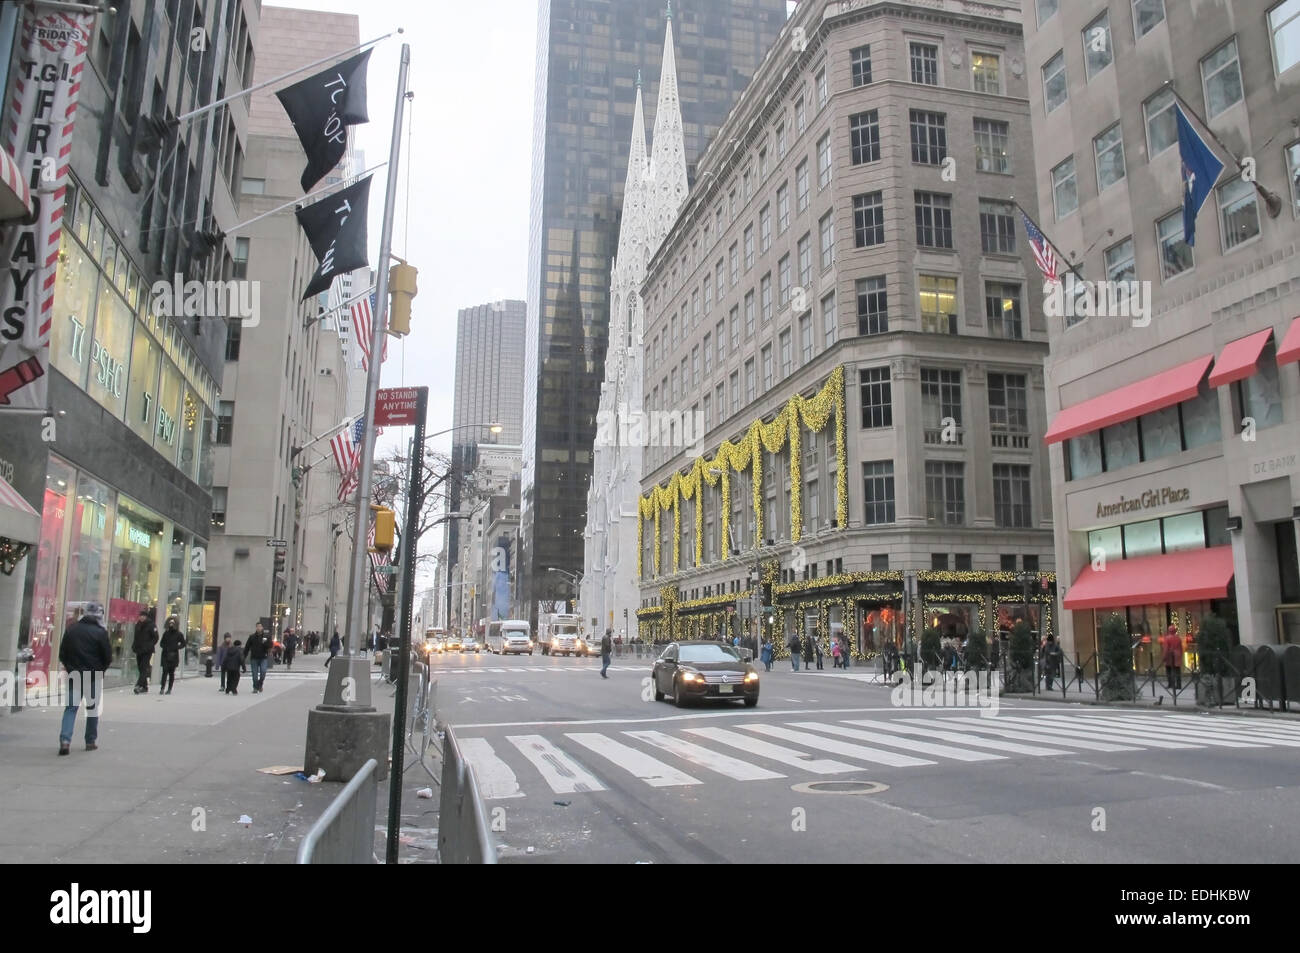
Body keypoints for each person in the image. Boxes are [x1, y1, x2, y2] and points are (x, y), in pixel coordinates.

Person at [57, 603, 112, 755]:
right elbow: (107, 657)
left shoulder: (72, 630)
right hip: (93, 676)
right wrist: (101, 670)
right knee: (92, 710)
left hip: (74, 674)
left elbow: (63, 653)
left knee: (70, 708)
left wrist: (70, 668)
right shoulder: (100, 633)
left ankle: (65, 740)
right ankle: (90, 741)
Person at [131, 607, 158, 694]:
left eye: (143, 616)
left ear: (146, 617)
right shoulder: (138, 625)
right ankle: (145, 687)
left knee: (144, 667)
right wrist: (134, 646)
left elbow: (156, 637)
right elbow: (135, 637)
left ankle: (138, 685)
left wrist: (149, 645)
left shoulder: (151, 625)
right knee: (140, 667)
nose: (141, 618)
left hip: (147, 650)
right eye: (140, 616)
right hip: (139, 649)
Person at [158, 616, 184, 694]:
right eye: (170, 623)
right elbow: (161, 643)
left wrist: (177, 647)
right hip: (165, 654)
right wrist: (165, 647)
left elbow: (183, 643)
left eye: (173, 623)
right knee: (164, 671)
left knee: (171, 673)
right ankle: (162, 687)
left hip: (174, 655)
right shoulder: (166, 633)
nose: (171, 625)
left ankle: (169, 688)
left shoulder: (179, 634)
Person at [244, 623, 271, 693]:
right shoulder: (252, 637)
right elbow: (247, 647)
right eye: (258, 627)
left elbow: (270, 645)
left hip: (263, 657)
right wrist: (243, 657)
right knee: (254, 674)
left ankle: (260, 684)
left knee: (263, 672)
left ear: (262, 628)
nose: (259, 628)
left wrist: (265, 643)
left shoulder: (266, 636)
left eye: (260, 626)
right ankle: (255, 687)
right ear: (256, 628)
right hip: (254, 658)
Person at [1161, 624, 1183, 691]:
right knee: (1177, 670)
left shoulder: (1167, 638)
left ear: (1169, 631)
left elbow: (1166, 649)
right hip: (1177, 655)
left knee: (1169, 670)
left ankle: (1171, 684)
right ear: (1175, 631)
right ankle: (1179, 685)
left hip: (1170, 656)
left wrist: (1164, 657)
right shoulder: (1178, 638)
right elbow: (1181, 648)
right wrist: (1180, 655)